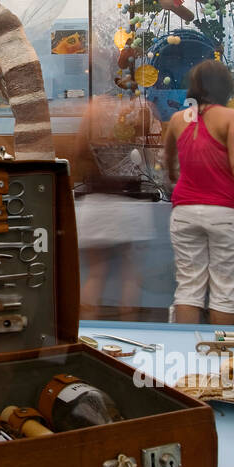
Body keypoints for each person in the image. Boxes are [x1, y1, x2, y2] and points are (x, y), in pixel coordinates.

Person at [162, 60, 234, 325]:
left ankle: (184, 354)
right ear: (225, 87)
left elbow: (167, 160)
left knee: (188, 288)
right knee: (224, 290)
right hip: (225, 212)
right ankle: (220, 357)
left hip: (184, 212)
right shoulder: (231, 117)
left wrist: (174, 176)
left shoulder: (177, 119)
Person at [74, 93, 160, 319]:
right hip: (131, 203)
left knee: (95, 274)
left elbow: (79, 152)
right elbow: (152, 153)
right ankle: (129, 340)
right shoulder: (144, 108)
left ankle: (87, 339)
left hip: (97, 201)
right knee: (130, 276)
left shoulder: (93, 109)